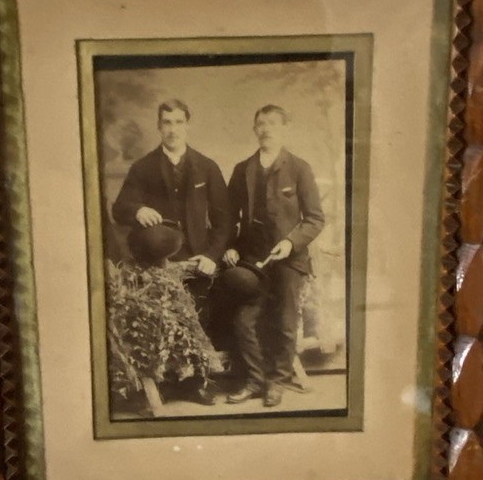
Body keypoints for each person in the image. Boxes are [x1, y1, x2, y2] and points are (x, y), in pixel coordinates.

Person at [223, 104, 324, 408]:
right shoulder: (242, 170)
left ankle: (277, 381)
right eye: (261, 124)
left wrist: (291, 243)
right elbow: (229, 217)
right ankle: (255, 380)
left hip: (289, 261)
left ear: (284, 129)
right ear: (255, 129)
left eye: (272, 124)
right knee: (243, 320)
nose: (266, 129)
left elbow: (315, 219)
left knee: (285, 321)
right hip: (252, 261)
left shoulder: (299, 168)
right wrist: (230, 246)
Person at [111, 97, 231, 332]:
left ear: (187, 125)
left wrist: (212, 255)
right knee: (162, 328)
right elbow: (120, 208)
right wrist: (138, 210)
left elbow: (224, 219)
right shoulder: (143, 167)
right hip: (158, 264)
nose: (173, 129)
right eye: (167, 122)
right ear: (159, 126)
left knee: (200, 326)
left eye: (178, 122)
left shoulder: (207, 167)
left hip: (198, 261)